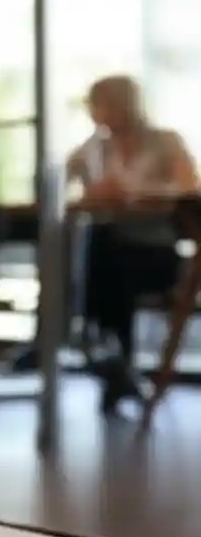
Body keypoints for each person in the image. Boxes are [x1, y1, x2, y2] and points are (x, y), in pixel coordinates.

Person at [66, 76, 199, 410]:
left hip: (156, 252)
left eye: (104, 103)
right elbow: (63, 190)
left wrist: (136, 196)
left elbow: (190, 192)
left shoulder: (166, 142)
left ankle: (103, 348)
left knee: (102, 249)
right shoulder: (93, 148)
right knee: (98, 242)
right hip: (109, 251)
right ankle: (114, 358)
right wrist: (91, 193)